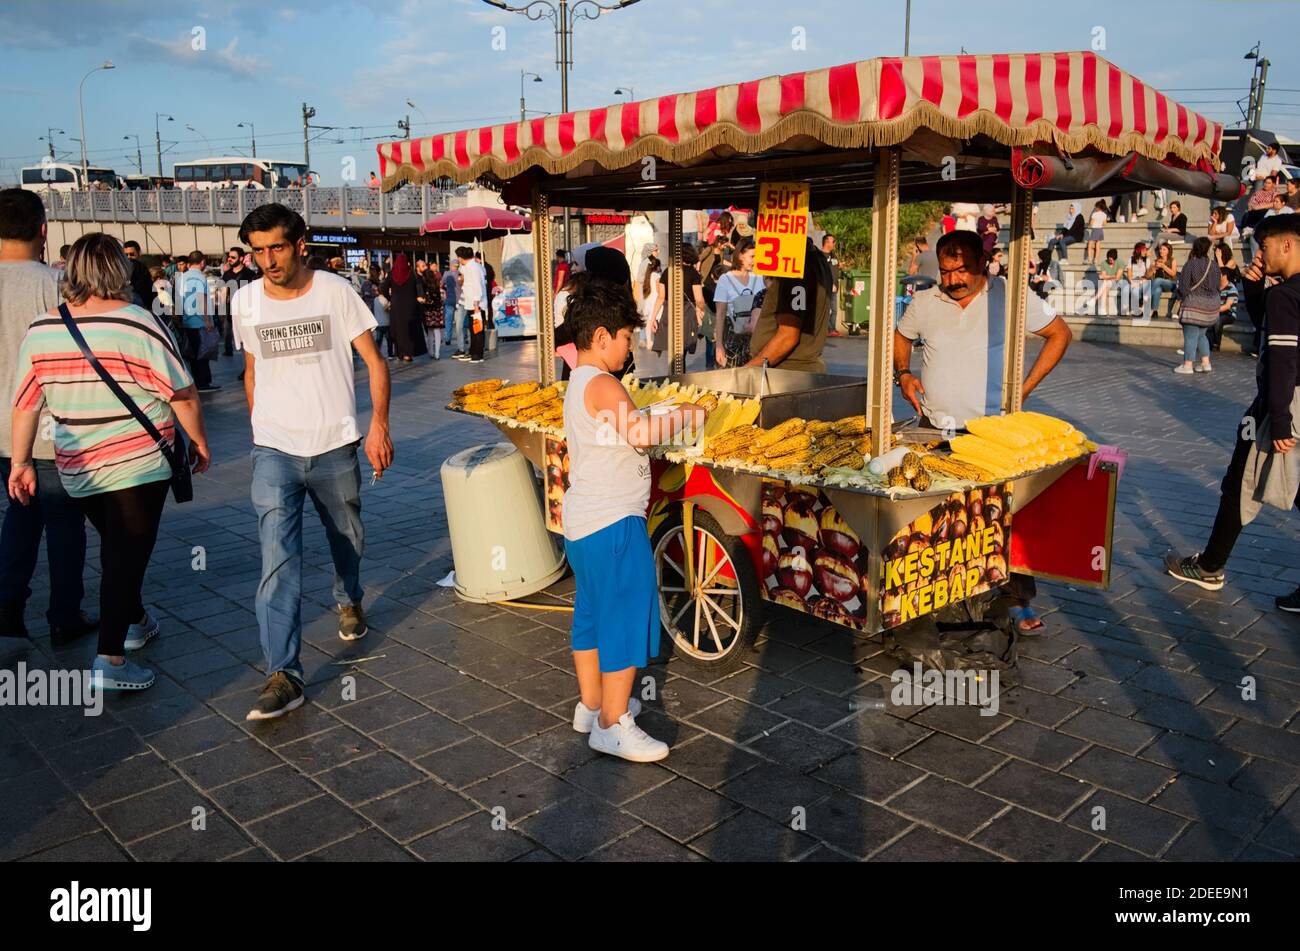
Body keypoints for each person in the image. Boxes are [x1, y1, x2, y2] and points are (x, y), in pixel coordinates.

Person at [9, 233, 211, 689]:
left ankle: (136, 619)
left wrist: (21, 462)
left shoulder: (44, 328)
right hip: (138, 461)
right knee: (124, 556)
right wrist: (198, 442)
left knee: (122, 549)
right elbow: (181, 392)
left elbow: (25, 404)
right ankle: (110, 660)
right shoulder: (138, 322)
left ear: (71, 270)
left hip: (77, 466)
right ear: (118, 269)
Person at [231, 203, 393, 720]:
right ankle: (284, 673)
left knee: (348, 537)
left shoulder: (335, 293)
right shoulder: (246, 301)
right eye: (258, 251)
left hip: (334, 444)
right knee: (276, 561)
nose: (268, 260)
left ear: (300, 244)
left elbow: (373, 362)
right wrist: (261, 427)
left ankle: (349, 597)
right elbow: (252, 370)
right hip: (274, 449)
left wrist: (379, 426)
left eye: (276, 247)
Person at [893, 229, 1072, 634]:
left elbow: (1059, 334)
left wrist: (1023, 389)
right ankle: (940, 595)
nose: (953, 280)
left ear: (983, 264)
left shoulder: (1010, 297)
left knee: (1002, 516)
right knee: (941, 519)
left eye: (962, 271)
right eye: (945, 271)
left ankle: (1016, 599)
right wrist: (903, 374)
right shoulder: (925, 302)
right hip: (935, 431)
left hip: (991, 433)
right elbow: (900, 337)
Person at [561, 276, 708, 761]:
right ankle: (612, 723)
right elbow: (641, 434)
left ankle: (590, 705)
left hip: (582, 524)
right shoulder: (604, 383)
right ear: (601, 336)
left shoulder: (579, 381)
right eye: (627, 338)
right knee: (623, 619)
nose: (631, 348)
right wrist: (685, 413)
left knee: (591, 615)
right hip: (614, 523)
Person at [1165, 213, 1300, 613]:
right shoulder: (1283, 294)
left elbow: (1282, 360)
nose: (1261, 254)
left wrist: (1277, 419)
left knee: (1239, 481)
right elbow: (1268, 328)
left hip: (1282, 403)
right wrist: (1256, 286)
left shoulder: (1286, 295)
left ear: (1287, 245)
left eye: (1266, 246)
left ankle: (1209, 566)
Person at [0, 190, 94, 645]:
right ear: (43, 230)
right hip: (54, 430)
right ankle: (64, 614)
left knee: (18, 516)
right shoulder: (57, 287)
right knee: (62, 522)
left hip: (3, 434)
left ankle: (8, 609)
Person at [746, 235, 834, 374]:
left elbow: (788, 335)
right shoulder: (817, 258)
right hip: (797, 372)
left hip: (785, 373)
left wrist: (747, 371)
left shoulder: (796, 266)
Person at [1172, 237, 1221, 374]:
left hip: (1194, 306)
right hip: (1211, 307)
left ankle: (1188, 365)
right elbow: (1218, 286)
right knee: (1201, 335)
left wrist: (1179, 298)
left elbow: (1183, 287)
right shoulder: (1214, 265)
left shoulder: (1191, 264)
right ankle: (1206, 363)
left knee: (1191, 335)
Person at [712, 239, 763, 368]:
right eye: (752, 256)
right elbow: (720, 314)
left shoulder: (760, 277)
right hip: (732, 341)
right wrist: (719, 345)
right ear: (740, 255)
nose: (754, 260)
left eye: (756, 257)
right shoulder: (725, 279)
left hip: (756, 341)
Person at [179, 250, 218, 391]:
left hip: (187, 321)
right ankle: (204, 382)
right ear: (202, 262)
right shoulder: (200, 277)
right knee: (203, 353)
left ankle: (195, 380)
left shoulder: (181, 278)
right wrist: (207, 320)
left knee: (193, 354)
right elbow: (202, 298)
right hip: (200, 321)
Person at [381, 253, 418, 363]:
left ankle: (399, 353)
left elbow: (383, 287)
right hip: (410, 305)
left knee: (398, 329)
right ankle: (408, 354)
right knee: (408, 330)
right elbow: (417, 287)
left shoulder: (392, 273)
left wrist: (390, 298)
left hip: (396, 306)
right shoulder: (411, 273)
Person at [455, 245, 488, 363]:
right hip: (471, 303)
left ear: (461, 257)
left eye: (458, 257)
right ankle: (473, 351)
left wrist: (476, 304)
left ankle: (478, 355)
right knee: (473, 328)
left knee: (477, 329)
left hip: (476, 303)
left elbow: (477, 286)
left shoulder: (474, 267)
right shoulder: (469, 266)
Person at [1115, 242, 1150, 317]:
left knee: (1135, 291)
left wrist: (1140, 282)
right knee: (1125, 289)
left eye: (1145, 250)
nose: (1145, 252)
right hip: (1132, 280)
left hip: (1143, 281)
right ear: (1138, 251)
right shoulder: (1130, 259)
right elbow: (1129, 274)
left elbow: (1148, 275)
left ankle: (1136, 310)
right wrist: (1132, 282)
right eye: (1143, 250)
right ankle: (1124, 309)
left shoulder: (1147, 260)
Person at [420, 258, 444, 359]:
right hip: (437, 309)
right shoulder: (436, 284)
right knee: (437, 330)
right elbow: (439, 297)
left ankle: (430, 351)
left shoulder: (424, 286)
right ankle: (437, 353)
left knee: (430, 331)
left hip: (428, 309)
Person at [1149, 242, 1179, 319]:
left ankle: (1146, 298)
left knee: (1158, 280)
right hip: (1160, 285)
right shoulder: (1156, 261)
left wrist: (1163, 266)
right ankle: (1154, 311)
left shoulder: (1173, 260)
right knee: (1157, 290)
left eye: (1164, 249)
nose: (1161, 251)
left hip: (1171, 284)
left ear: (1168, 251)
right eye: (1160, 249)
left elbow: (1173, 273)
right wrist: (1153, 268)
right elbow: (1148, 275)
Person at [122, 240, 154, 311]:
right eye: (126, 255)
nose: (129, 257)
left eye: (131, 254)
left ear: (139, 253)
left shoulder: (141, 268)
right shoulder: (121, 269)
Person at [641, 255, 664, 352]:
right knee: (655, 319)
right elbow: (659, 290)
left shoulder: (648, 275)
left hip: (649, 299)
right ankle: (654, 341)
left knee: (649, 320)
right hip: (655, 299)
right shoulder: (657, 276)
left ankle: (649, 340)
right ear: (657, 267)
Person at [822, 232, 842, 336]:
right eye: (833, 241)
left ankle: (831, 329)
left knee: (834, 310)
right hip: (827, 287)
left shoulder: (833, 255)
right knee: (826, 310)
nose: (834, 243)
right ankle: (827, 329)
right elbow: (824, 272)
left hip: (834, 288)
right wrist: (830, 284)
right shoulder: (821, 256)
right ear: (827, 242)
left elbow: (834, 265)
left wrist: (839, 265)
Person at [442, 257, 461, 355]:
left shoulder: (446, 274)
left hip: (449, 300)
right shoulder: (460, 274)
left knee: (448, 321)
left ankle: (448, 339)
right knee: (460, 322)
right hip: (459, 301)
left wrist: (445, 291)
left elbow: (441, 285)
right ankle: (462, 338)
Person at [1084, 200, 1108, 264]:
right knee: (1098, 245)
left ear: (1098, 207)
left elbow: (1091, 223)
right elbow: (1105, 223)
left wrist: (1090, 224)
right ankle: (1096, 259)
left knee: (1090, 244)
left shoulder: (1094, 214)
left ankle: (1089, 258)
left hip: (1095, 230)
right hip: (1100, 230)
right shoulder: (1104, 215)